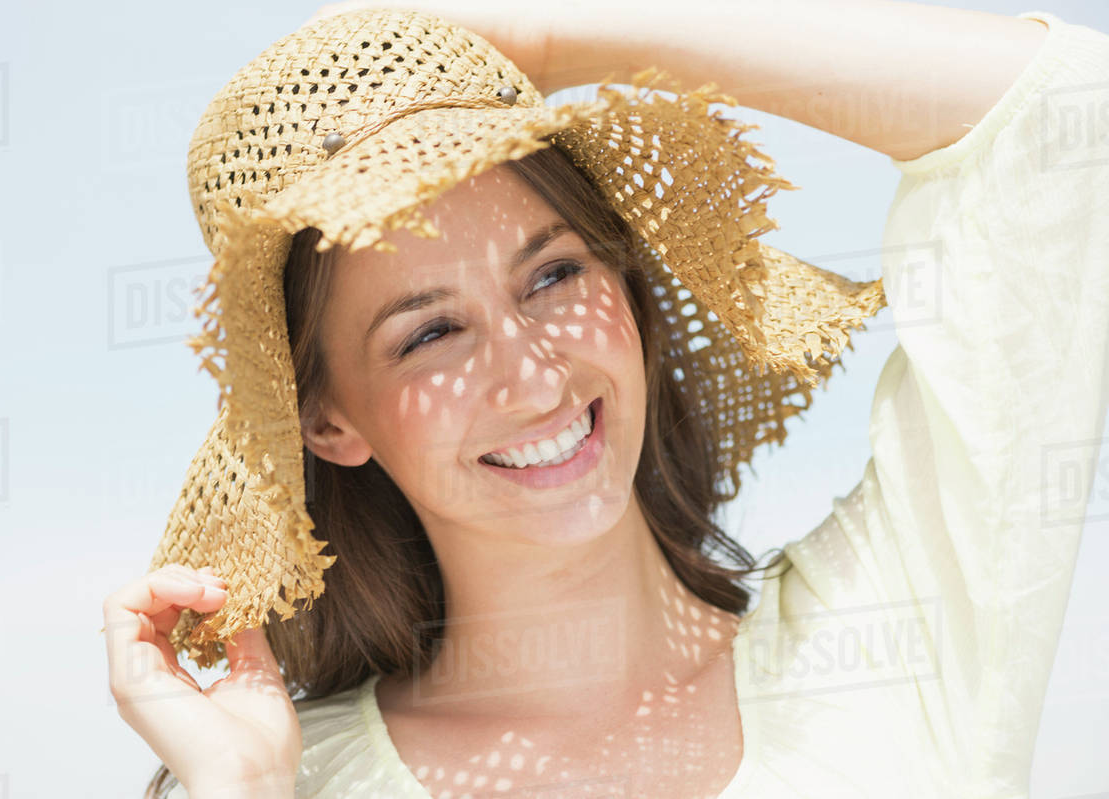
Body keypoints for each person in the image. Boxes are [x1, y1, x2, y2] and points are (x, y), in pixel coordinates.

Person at [101, 3, 1109, 797]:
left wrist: (546, 30)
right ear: (330, 422)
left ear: (628, 283)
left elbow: (1059, 115)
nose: (534, 372)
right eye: (430, 333)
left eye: (552, 277)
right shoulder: (282, 776)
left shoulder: (889, 640)